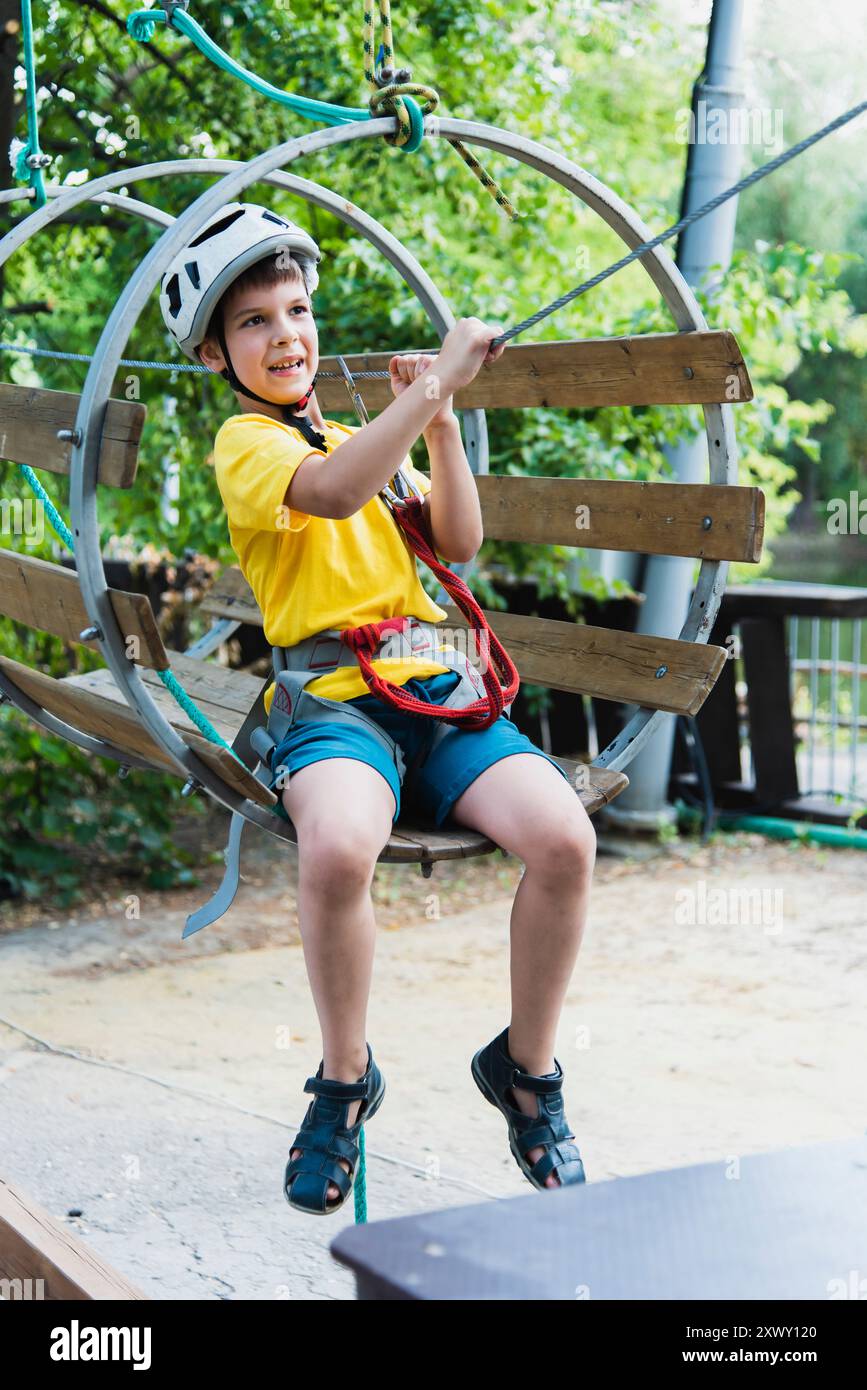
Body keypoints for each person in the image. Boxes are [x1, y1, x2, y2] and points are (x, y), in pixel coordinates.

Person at [159, 202, 596, 1215]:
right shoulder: (249, 445)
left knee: (564, 840)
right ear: (221, 354)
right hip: (335, 702)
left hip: (431, 685)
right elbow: (330, 493)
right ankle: (345, 1078)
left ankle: (526, 1071)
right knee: (341, 849)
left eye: (296, 310)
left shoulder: (368, 433)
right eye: (255, 322)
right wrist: (436, 380)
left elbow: (458, 536)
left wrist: (440, 424)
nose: (286, 336)